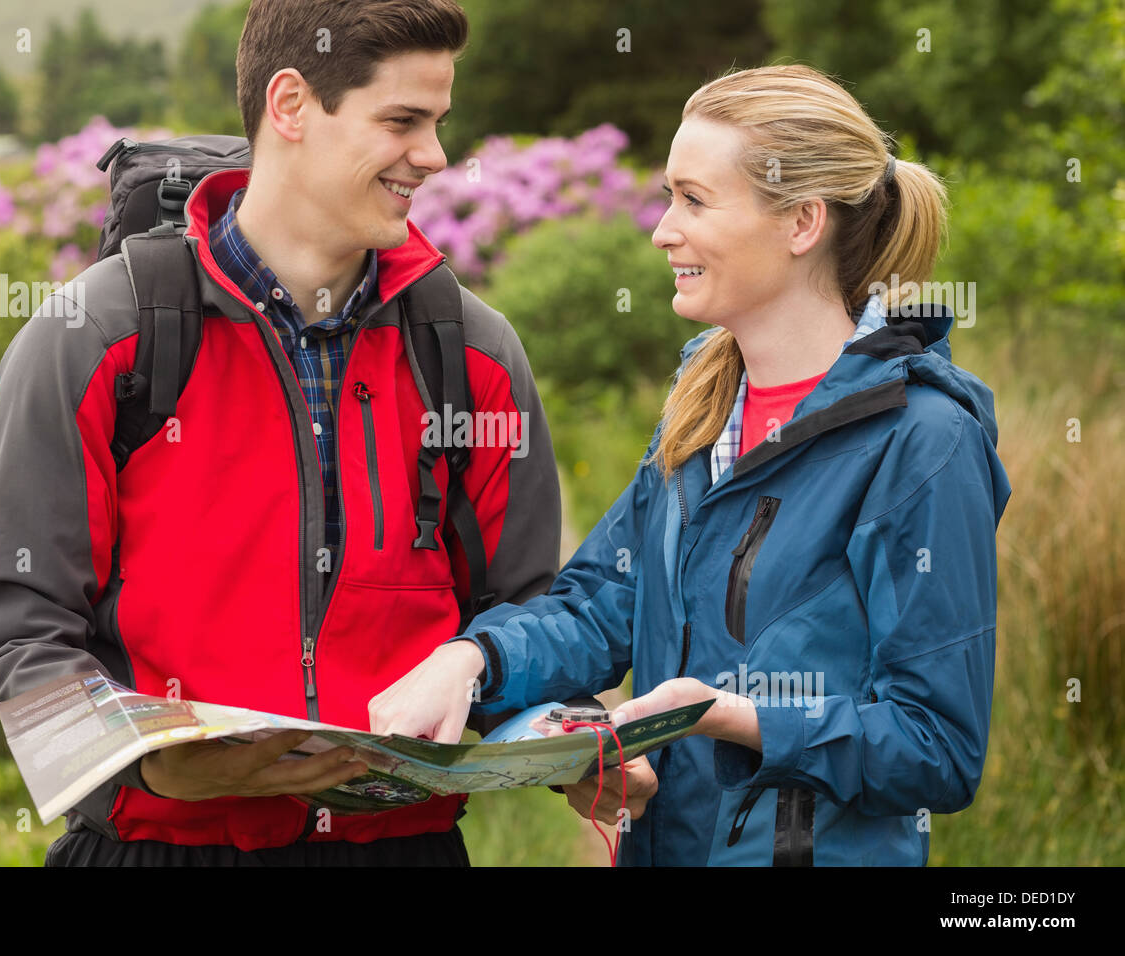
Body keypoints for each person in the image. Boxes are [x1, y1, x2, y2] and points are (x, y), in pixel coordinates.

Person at [0, 0, 562, 867]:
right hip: (156, 849)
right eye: (402, 121)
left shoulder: (472, 353)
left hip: (404, 850)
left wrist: (547, 726)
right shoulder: (91, 338)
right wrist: (155, 778)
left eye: (438, 124)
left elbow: (529, 611)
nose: (433, 157)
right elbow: (19, 629)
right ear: (290, 107)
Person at [370, 64, 1012, 866]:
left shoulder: (924, 441)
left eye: (694, 199)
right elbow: (603, 603)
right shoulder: (703, 405)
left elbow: (935, 748)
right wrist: (472, 659)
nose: (661, 229)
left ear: (801, 221)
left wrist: (730, 716)